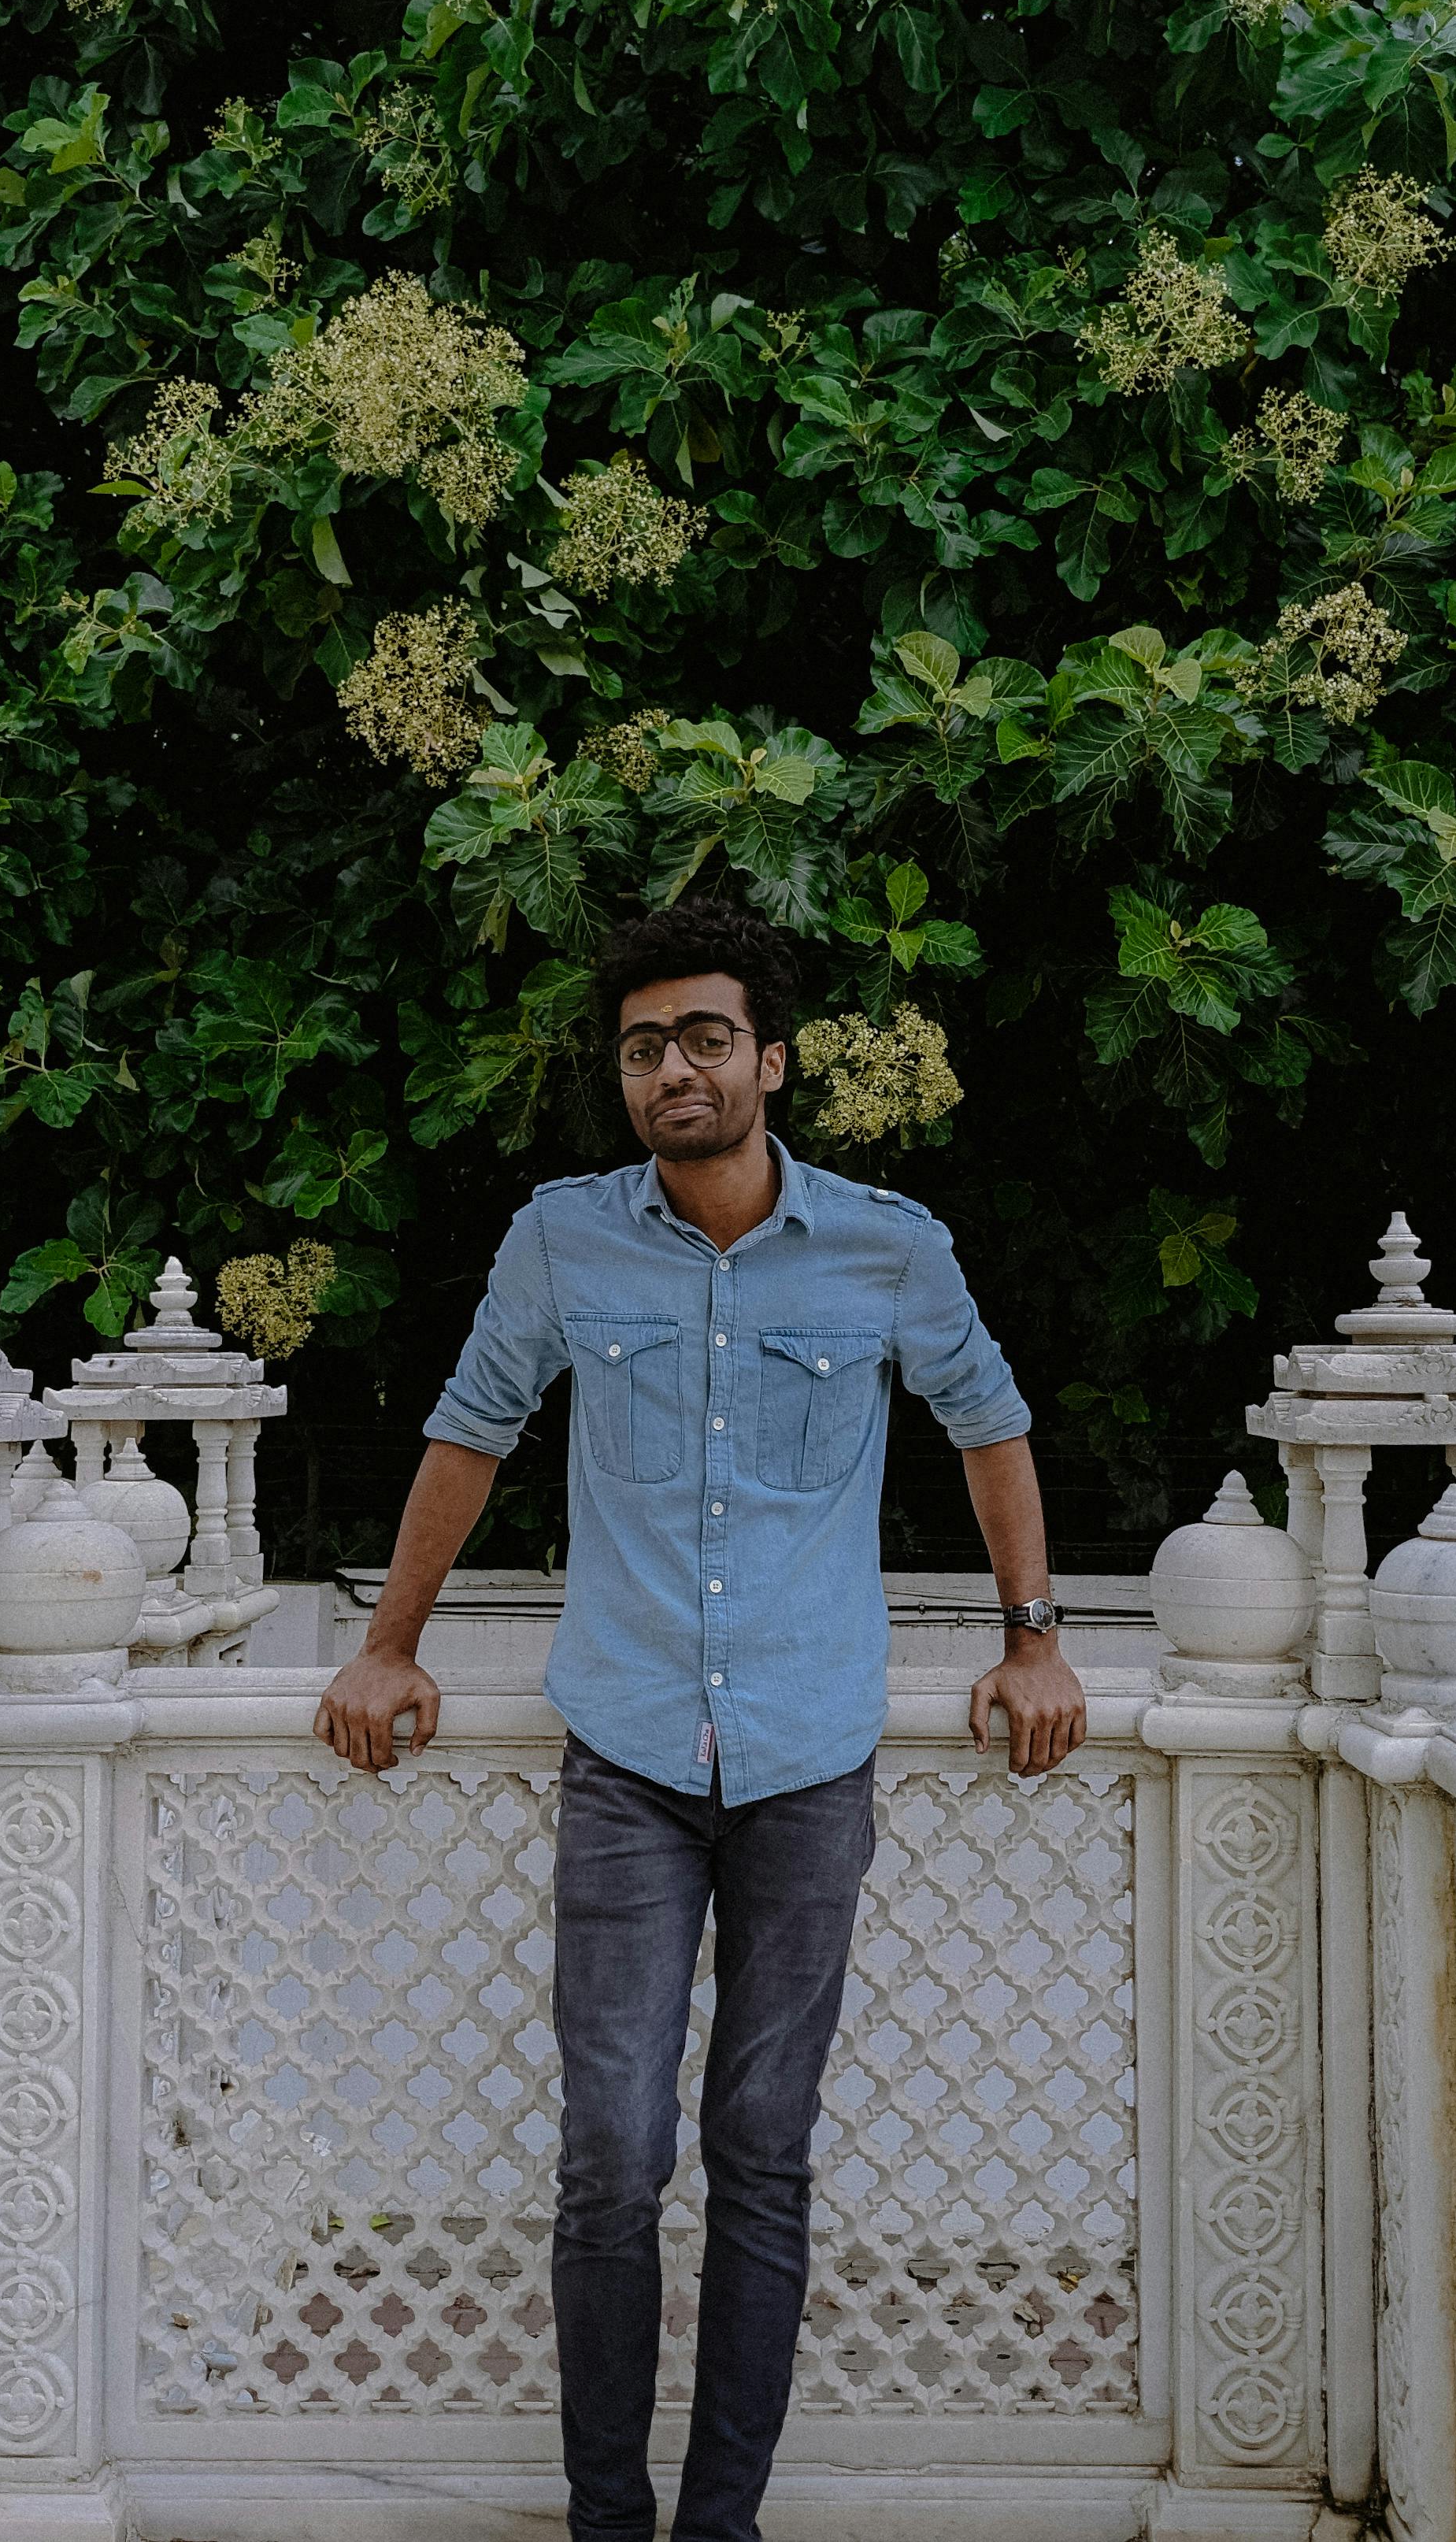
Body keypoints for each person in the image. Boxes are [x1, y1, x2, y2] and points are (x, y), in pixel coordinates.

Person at [314, 896, 1086, 2542]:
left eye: (707, 1037)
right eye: (646, 1044)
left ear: (772, 1061)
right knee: (609, 2151)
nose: (676, 1066)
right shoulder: (559, 1240)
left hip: (812, 1756)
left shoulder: (892, 1245)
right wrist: (390, 1645)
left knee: (762, 2145)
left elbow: (992, 1426)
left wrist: (1035, 1639)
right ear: (626, 1074)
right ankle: (609, 2519)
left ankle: (718, 2524)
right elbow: (473, 1431)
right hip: (632, 1759)